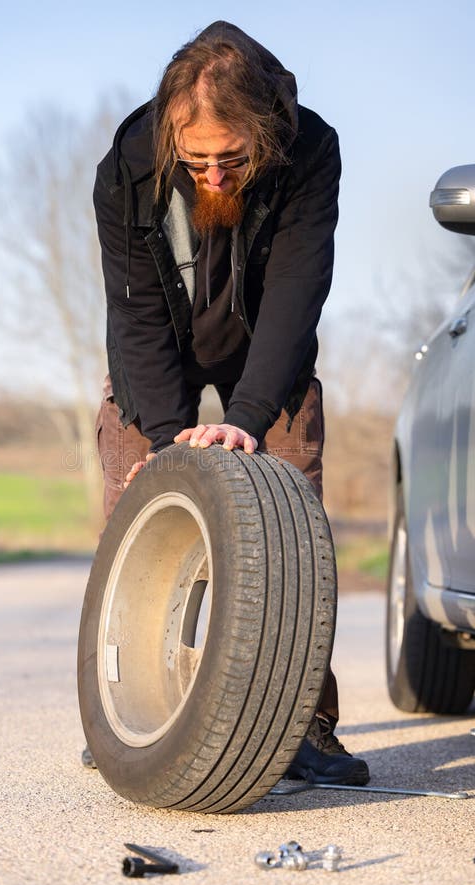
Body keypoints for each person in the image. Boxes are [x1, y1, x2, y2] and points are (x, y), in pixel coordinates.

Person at [83, 20, 369, 786]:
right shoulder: (129, 165)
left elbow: (296, 292)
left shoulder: (311, 152)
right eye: (197, 158)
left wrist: (246, 419)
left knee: (294, 534)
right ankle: (127, 716)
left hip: (266, 361)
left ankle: (306, 724)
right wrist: (169, 437)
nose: (212, 175)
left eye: (232, 159)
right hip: (160, 362)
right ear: (172, 131)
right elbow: (134, 308)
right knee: (139, 509)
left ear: (266, 136)